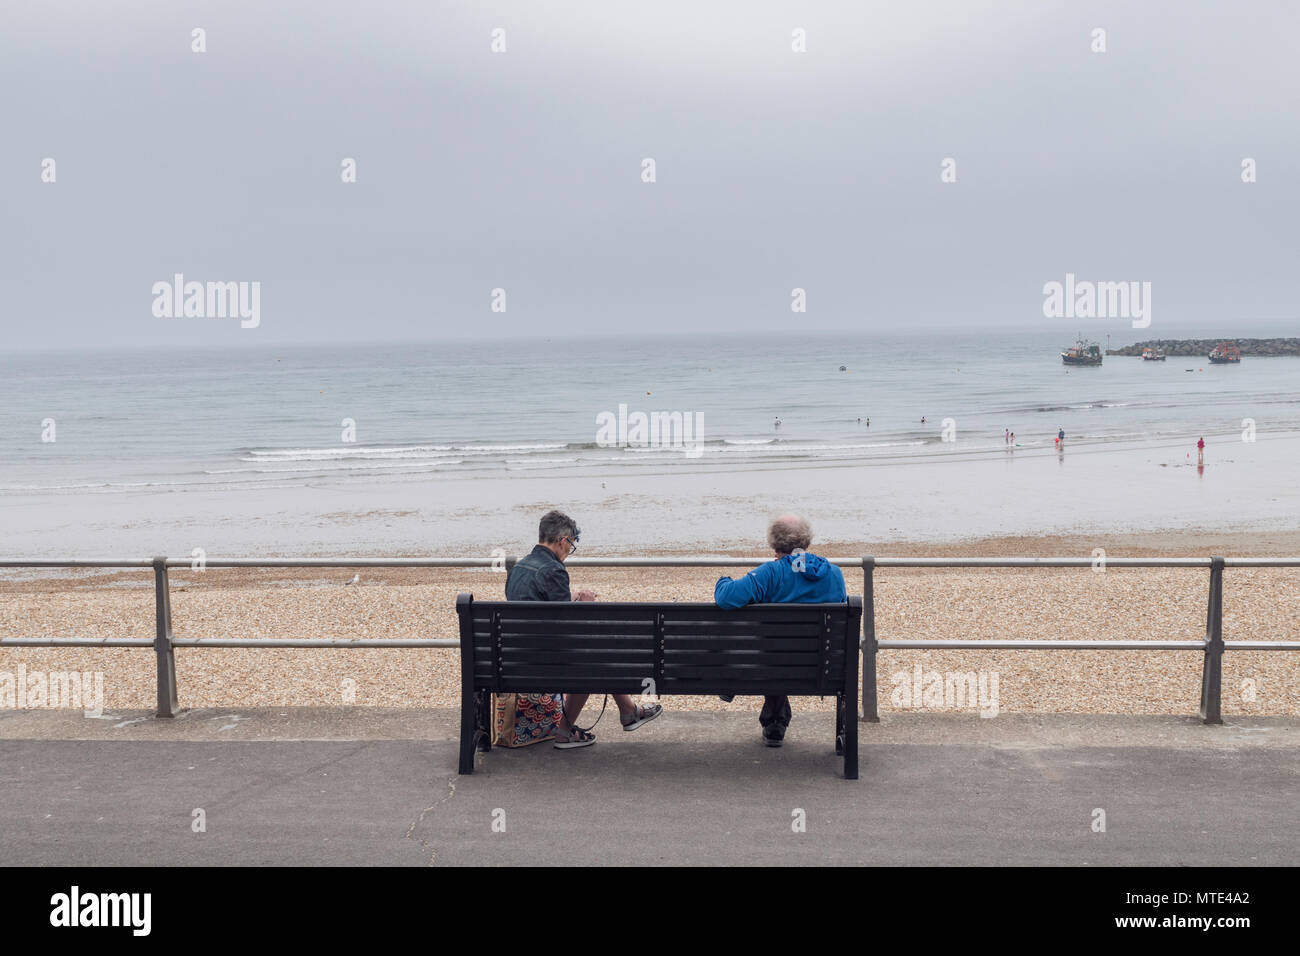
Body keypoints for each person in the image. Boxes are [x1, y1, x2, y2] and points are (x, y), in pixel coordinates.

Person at [505, 509, 662, 749]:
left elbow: (537, 603)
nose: (569, 552)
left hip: (513, 661)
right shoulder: (555, 569)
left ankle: (628, 711)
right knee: (594, 658)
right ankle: (567, 731)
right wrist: (585, 606)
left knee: (597, 653)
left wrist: (573, 596)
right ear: (563, 541)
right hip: (543, 664)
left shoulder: (518, 568)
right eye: (571, 546)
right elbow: (567, 626)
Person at [713, 514, 847, 747]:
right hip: (823, 669)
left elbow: (726, 598)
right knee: (780, 648)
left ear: (774, 543)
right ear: (807, 541)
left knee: (773, 648)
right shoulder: (834, 574)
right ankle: (775, 721)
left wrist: (723, 580)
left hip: (771, 667)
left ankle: (765, 714)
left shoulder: (770, 573)